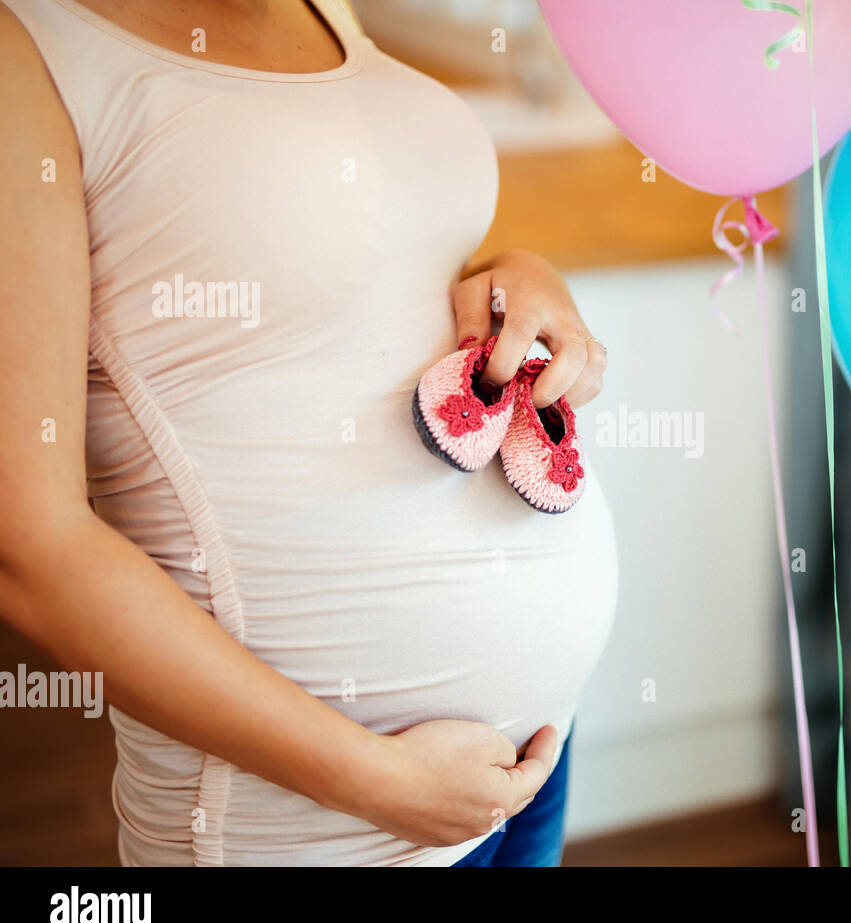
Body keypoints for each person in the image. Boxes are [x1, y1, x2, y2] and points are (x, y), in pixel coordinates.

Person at [0, 0, 618, 866]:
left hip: (525, 765)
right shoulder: (26, 53)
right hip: (316, 823)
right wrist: (370, 779)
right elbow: (30, 550)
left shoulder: (324, 8)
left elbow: (345, 273)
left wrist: (517, 273)